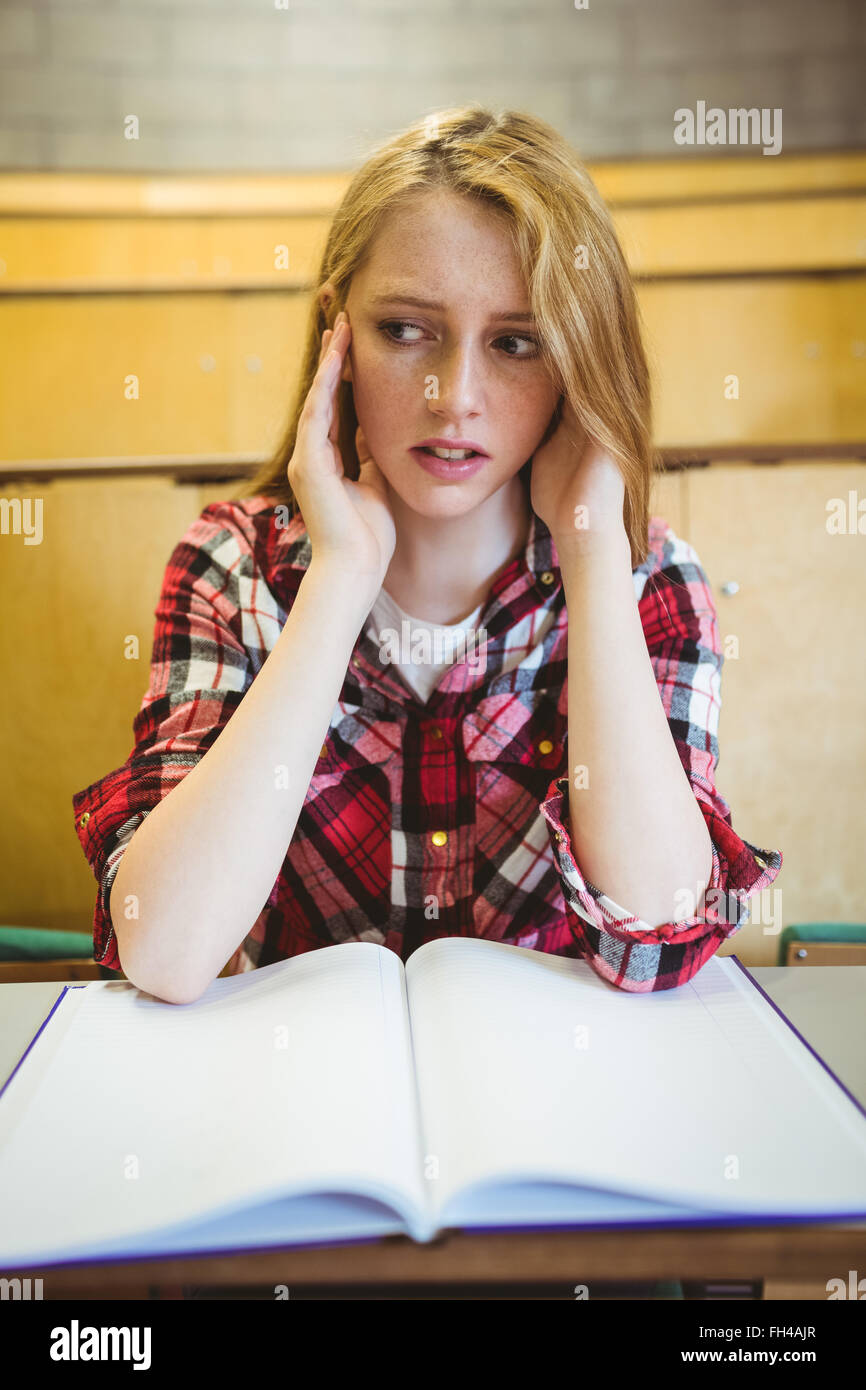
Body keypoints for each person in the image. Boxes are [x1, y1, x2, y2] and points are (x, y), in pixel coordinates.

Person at [71, 104, 782, 1005]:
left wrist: (595, 561)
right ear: (339, 334)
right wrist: (340, 577)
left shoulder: (649, 582)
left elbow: (657, 936)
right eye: (406, 330)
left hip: (558, 1093)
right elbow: (165, 952)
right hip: (304, 1100)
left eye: (516, 343)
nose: (456, 399)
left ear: (577, 361)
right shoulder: (234, 565)